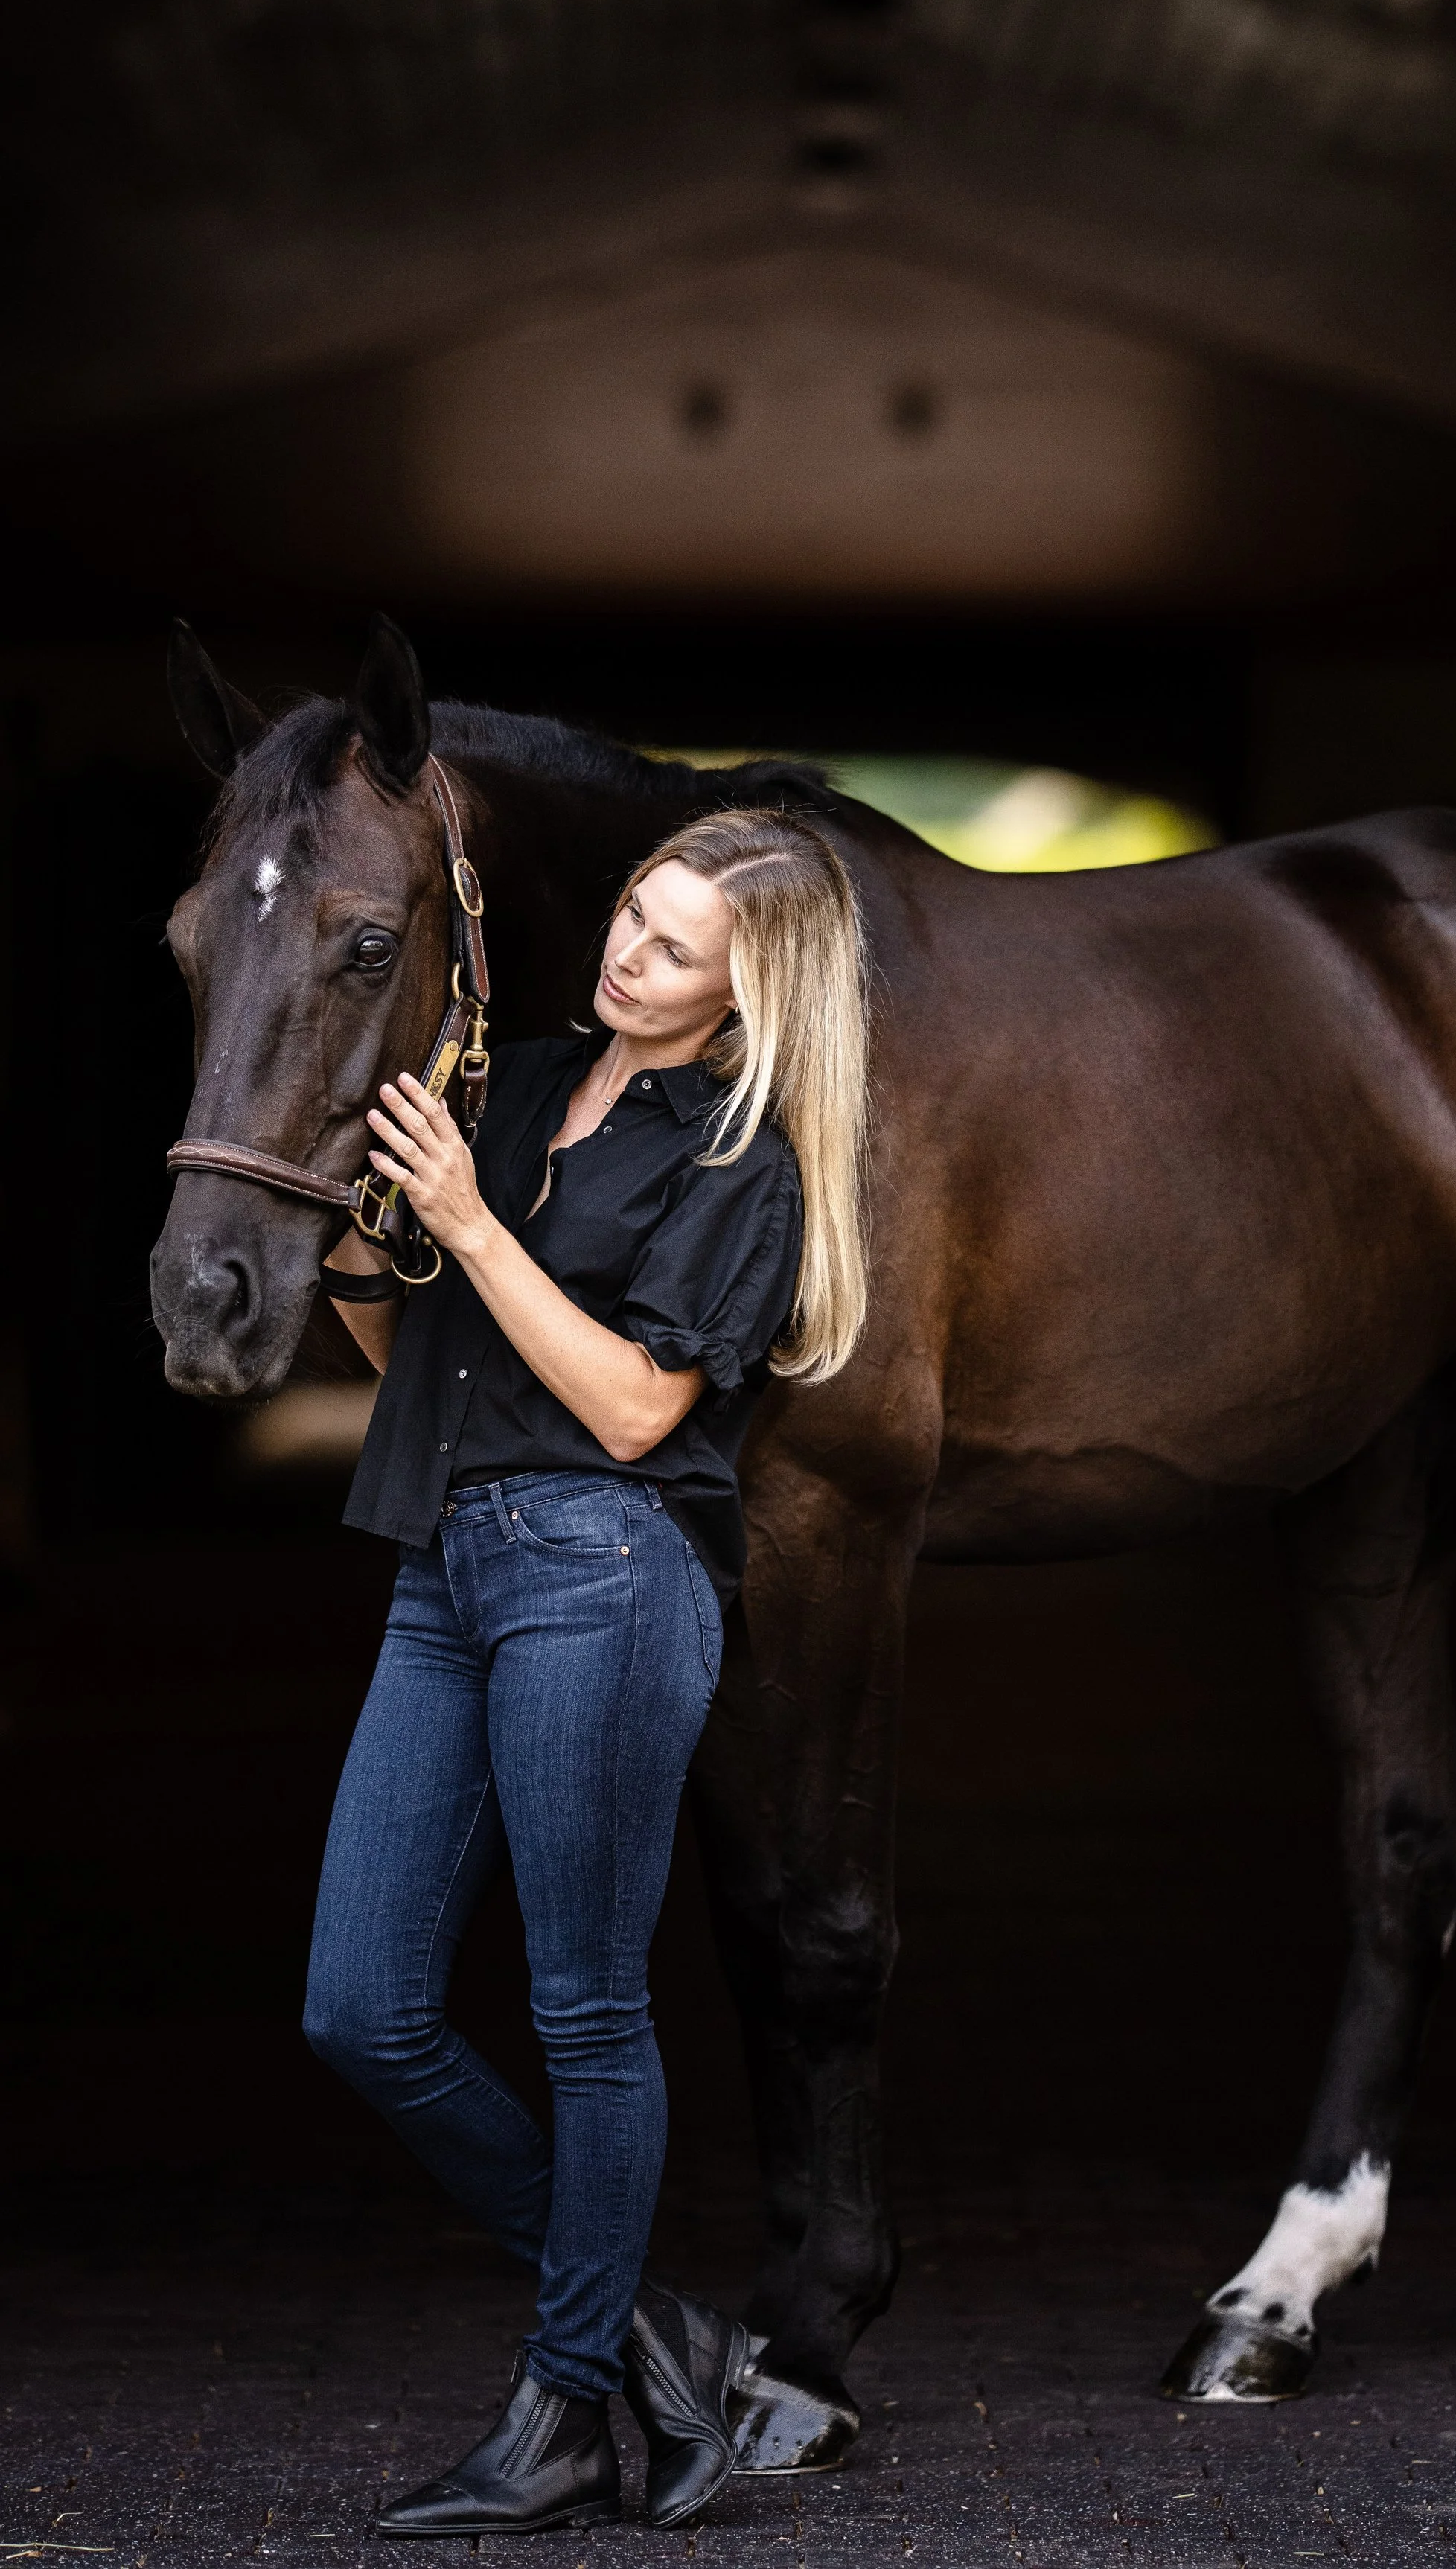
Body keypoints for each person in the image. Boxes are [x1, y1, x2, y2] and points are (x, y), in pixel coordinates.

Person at [301, 805, 869, 2536]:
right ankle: (656, 2332)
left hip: (603, 1577)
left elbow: (632, 1410)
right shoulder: (529, 1075)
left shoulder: (744, 1160)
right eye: (634, 913)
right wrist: (367, 1235)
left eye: (676, 946)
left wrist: (470, 1223)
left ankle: (562, 2417)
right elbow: (412, 1341)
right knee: (361, 2006)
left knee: (584, 2010)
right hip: (444, 1561)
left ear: (744, 992)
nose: (629, 952)